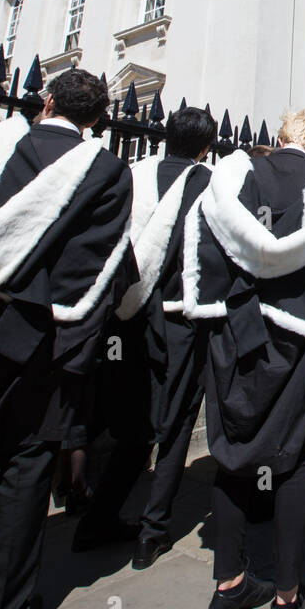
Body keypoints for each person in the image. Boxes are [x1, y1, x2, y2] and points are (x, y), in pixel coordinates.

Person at [184, 110, 305, 609]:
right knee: (292, 463)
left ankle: (229, 582)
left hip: (233, 336)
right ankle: (286, 597)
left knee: (232, 456)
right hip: (300, 340)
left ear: (281, 140)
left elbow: (203, 247)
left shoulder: (237, 176)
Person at [0, 70, 136, 609]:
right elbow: (97, 265)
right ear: (98, 120)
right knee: (25, 471)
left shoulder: (5, 145)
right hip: (44, 341)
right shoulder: (106, 170)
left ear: (45, 101)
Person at [72, 107, 216, 566]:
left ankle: (95, 521)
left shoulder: (133, 173)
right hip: (178, 319)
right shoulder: (209, 183)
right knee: (173, 426)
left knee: (130, 429)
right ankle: (152, 531)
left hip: (124, 316)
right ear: (205, 147)